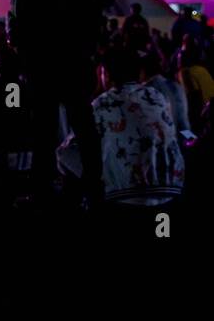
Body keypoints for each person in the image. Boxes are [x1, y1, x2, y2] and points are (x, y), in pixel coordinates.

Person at [11, 0, 117, 205]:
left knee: (43, 125)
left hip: (42, 57)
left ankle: (42, 190)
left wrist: (22, 47)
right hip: (80, 53)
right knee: (83, 120)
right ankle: (94, 187)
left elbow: (20, 7)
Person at [75, 47, 184, 205]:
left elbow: (67, 153)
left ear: (106, 73)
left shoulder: (102, 103)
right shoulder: (156, 95)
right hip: (169, 190)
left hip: (125, 197)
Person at [141, 50, 190, 136]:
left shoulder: (146, 91)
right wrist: (191, 140)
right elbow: (184, 126)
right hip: (178, 143)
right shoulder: (176, 86)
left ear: (143, 71)